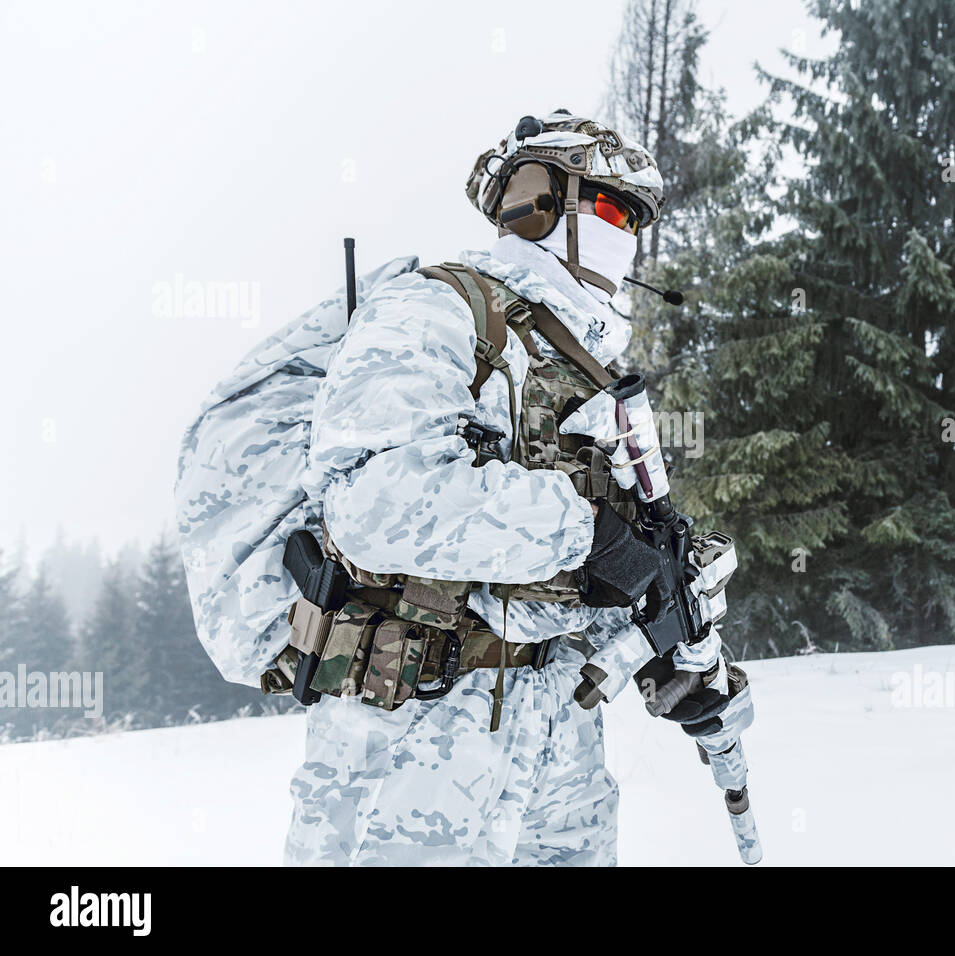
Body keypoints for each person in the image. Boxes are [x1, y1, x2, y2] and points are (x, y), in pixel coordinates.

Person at [280, 110, 747, 866]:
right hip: (419, 735)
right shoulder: (437, 310)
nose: (623, 233)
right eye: (609, 206)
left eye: (634, 219)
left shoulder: (588, 370)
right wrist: (586, 535)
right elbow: (375, 500)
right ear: (536, 202)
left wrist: (664, 649)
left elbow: (590, 585)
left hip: (559, 734)